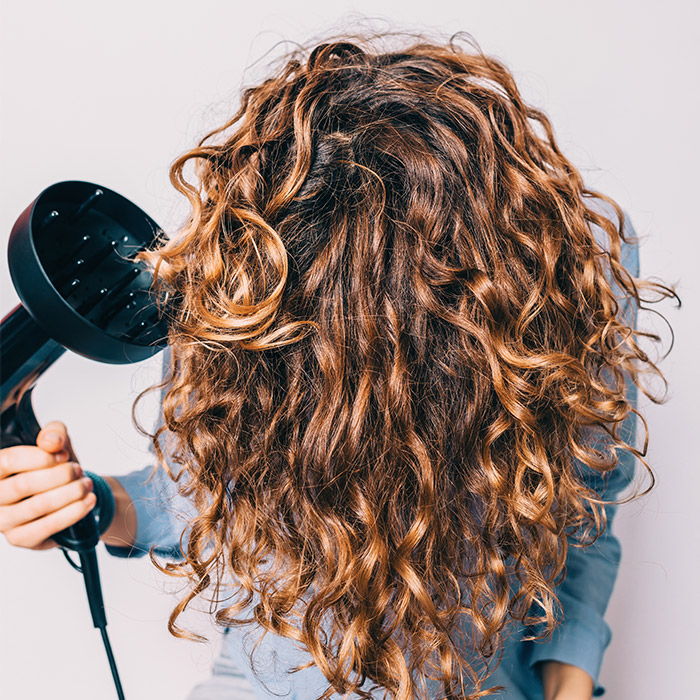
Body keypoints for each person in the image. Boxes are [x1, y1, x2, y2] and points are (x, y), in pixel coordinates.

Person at [0, 29, 676, 700]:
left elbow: (587, 507)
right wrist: (88, 505)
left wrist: (571, 674)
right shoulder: (241, 284)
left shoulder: (569, 283)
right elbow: (197, 500)